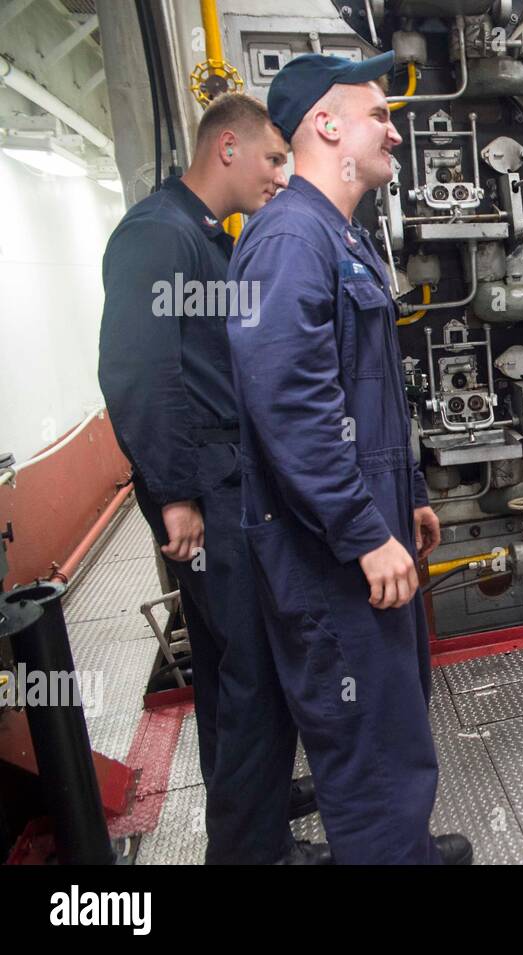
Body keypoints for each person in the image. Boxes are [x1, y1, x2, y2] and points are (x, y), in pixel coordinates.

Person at [225, 51, 470, 865]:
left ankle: (405, 850)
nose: (393, 128)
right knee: (367, 750)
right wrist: (365, 531)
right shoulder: (292, 238)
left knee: (392, 728)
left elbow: (354, 399)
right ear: (326, 126)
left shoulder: (336, 235)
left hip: (355, 534)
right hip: (327, 561)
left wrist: (407, 501)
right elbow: (291, 408)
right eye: (377, 114)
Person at [98, 92, 324, 864]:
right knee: (252, 665)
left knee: (231, 667)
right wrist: (177, 495)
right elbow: (139, 374)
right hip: (208, 490)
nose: (277, 176)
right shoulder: (157, 238)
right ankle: (254, 848)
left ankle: (245, 796)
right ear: (226, 148)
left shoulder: (200, 236)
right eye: (270, 160)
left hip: (224, 480)